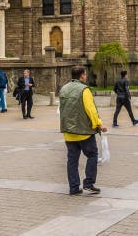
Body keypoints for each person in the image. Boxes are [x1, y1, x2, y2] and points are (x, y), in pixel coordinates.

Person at [60, 65, 106, 195]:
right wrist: (99, 124)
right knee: (92, 155)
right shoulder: (84, 90)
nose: (86, 76)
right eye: (85, 74)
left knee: (72, 160)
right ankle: (88, 184)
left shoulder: (64, 88)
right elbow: (90, 109)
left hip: (68, 132)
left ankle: (74, 187)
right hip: (84, 132)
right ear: (82, 76)